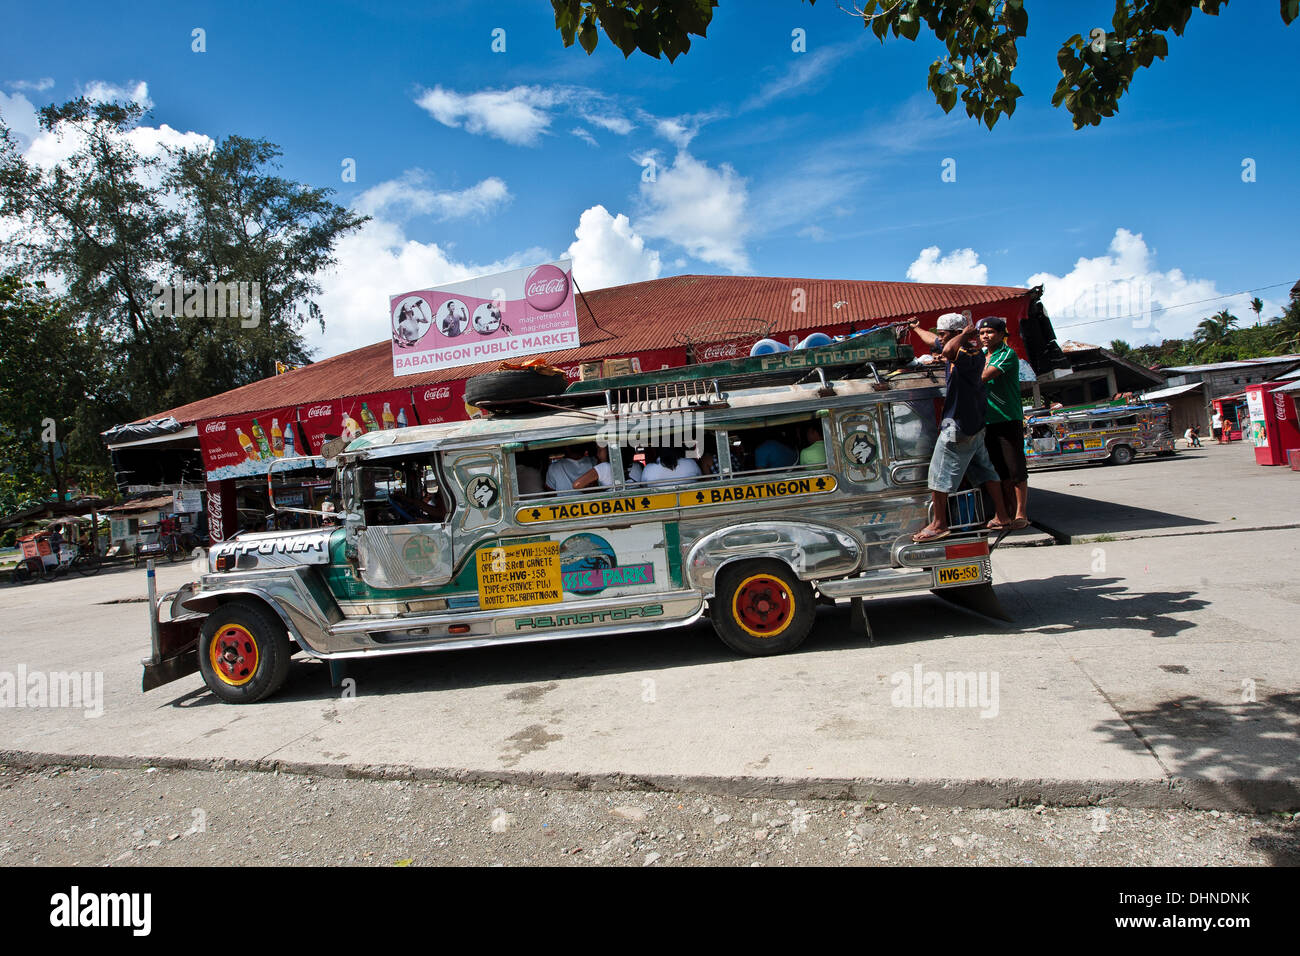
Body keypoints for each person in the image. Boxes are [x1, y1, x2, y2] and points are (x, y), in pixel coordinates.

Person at [906, 313, 1012, 542]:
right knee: (985, 471)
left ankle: (939, 524)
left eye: (943, 334)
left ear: (956, 334)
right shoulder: (956, 347)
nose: (939, 339)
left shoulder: (969, 354)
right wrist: (916, 328)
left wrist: (964, 334)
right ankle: (1002, 516)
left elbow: (945, 351)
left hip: (958, 425)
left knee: (938, 475)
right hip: (973, 425)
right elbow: (933, 342)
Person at [976, 316, 1030, 530]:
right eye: (981, 333)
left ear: (1001, 334)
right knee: (999, 471)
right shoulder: (980, 355)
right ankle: (1006, 513)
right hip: (987, 419)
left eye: (989, 332)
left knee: (1016, 469)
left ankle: (1021, 513)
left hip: (1007, 418)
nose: (985, 336)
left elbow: (983, 377)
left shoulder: (1006, 354)